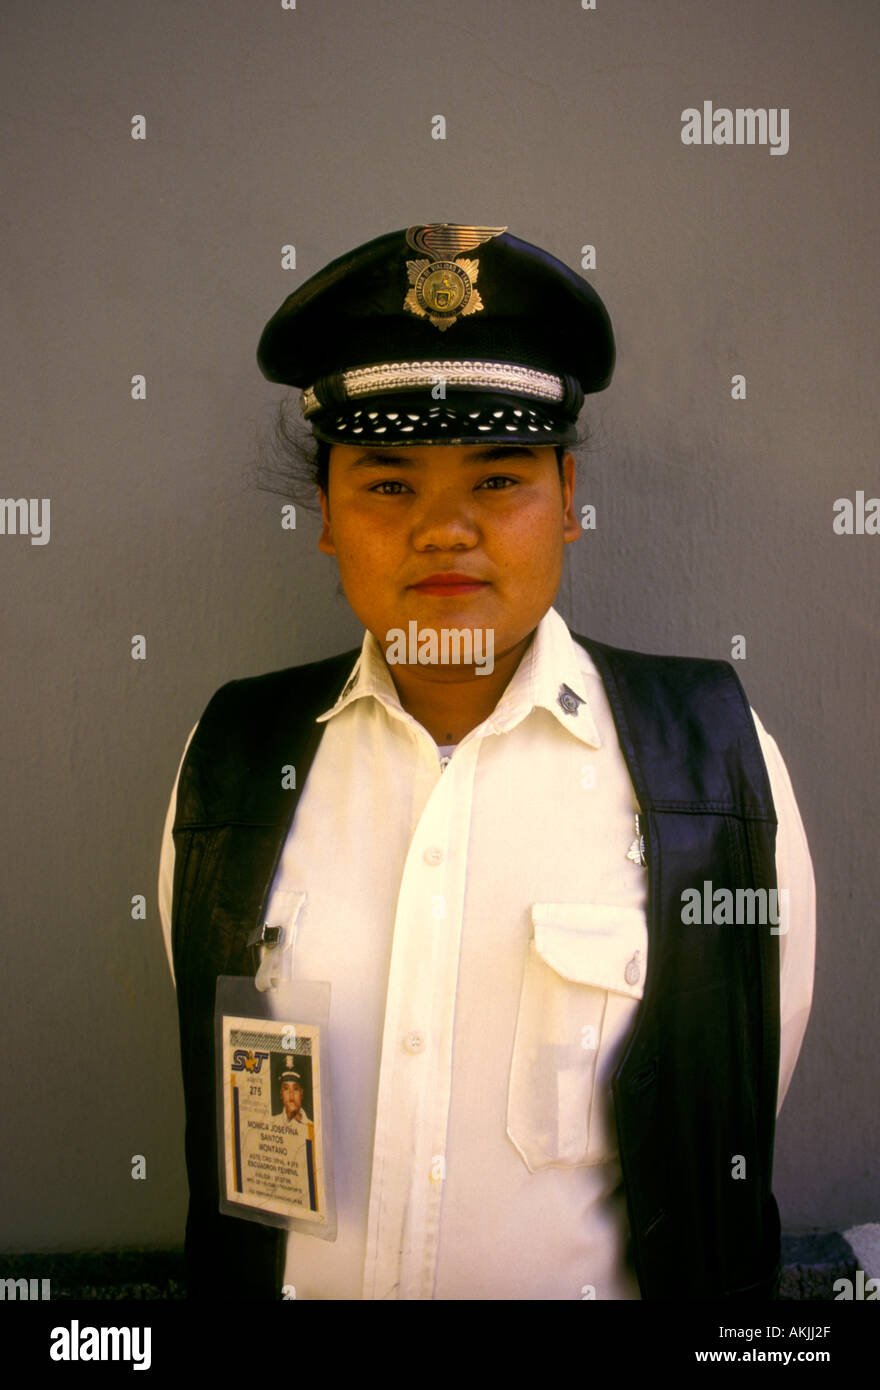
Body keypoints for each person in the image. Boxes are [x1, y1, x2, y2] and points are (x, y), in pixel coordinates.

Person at [158, 223, 815, 1301]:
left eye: (498, 478)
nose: (446, 530)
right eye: (388, 484)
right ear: (324, 513)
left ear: (567, 501)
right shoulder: (232, 761)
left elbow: (727, 1117)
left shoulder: (714, 766)